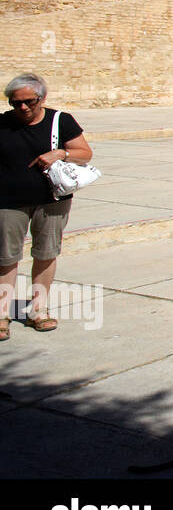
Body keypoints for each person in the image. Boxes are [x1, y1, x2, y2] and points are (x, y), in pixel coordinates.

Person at [1, 74, 93, 339]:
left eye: (29, 102)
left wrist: (61, 153)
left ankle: (37, 309)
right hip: (7, 201)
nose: (22, 108)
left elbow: (85, 153)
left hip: (52, 200)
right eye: (15, 103)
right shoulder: (3, 123)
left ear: (42, 97)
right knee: (6, 257)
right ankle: (1, 313)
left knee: (45, 253)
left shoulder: (60, 120)